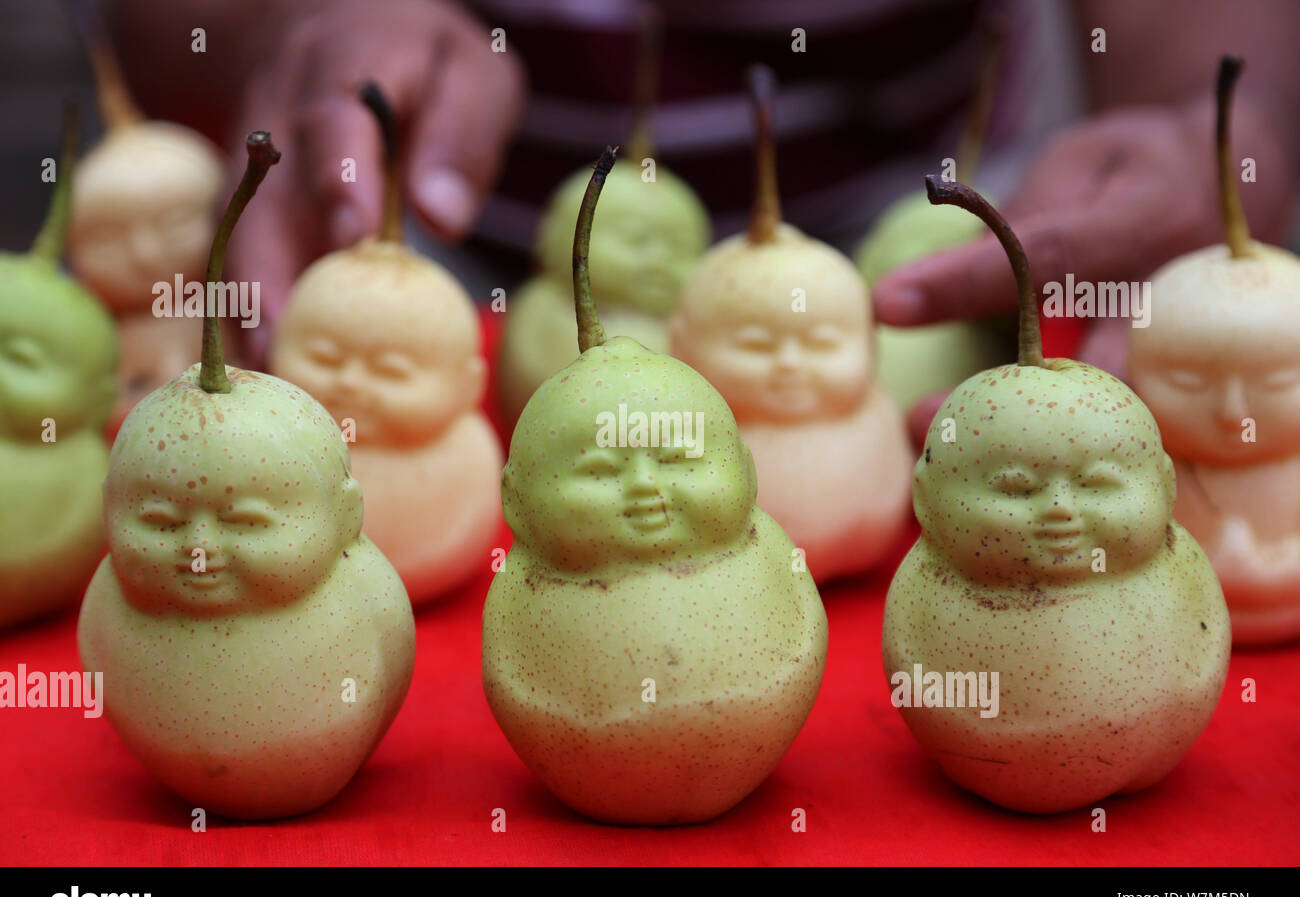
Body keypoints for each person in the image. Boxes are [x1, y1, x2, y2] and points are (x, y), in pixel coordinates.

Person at [93, 0, 1300, 434]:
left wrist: (1215, 122)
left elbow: (1208, 36)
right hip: (429, 264)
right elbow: (160, 27)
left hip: (922, 265)